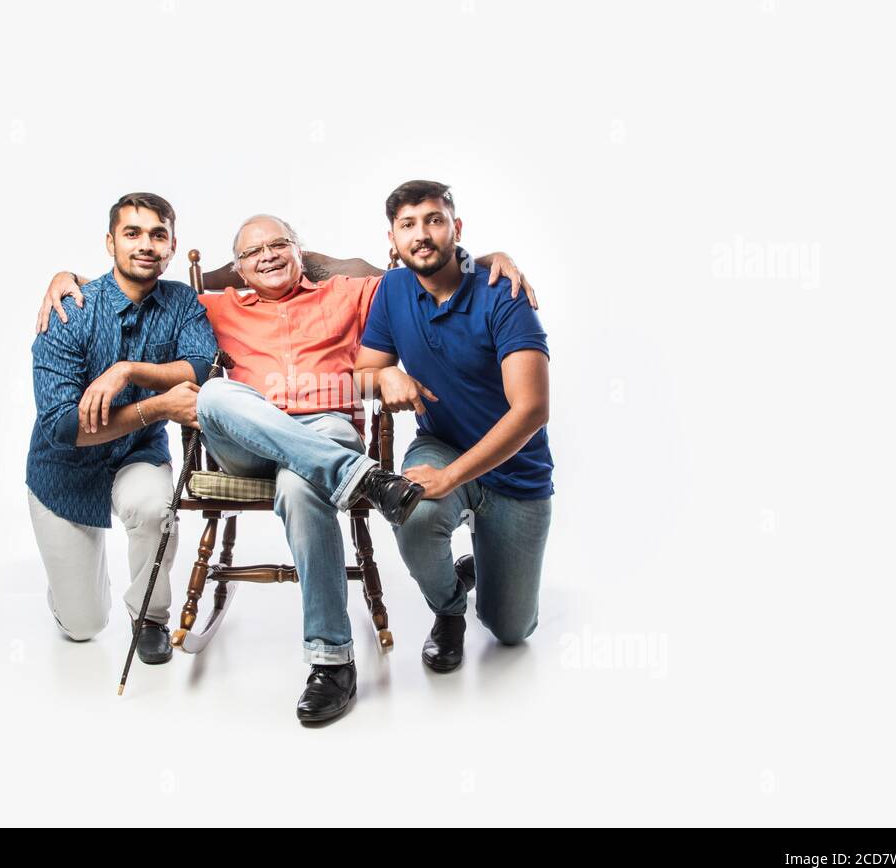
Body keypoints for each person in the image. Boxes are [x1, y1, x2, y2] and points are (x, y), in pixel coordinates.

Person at [36, 211, 534, 723]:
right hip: (248, 441)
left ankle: (332, 661)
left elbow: (428, 270)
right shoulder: (213, 306)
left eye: (280, 244)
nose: (268, 256)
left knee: (300, 486)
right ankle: (363, 478)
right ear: (239, 268)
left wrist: (488, 259)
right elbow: (143, 285)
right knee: (215, 395)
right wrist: (66, 277)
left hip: (327, 431)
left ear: (301, 252)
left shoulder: (350, 293)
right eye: (252, 253)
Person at [354, 181, 553, 673]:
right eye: (408, 225)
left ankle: (478, 568)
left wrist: (452, 479)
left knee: (511, 630)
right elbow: (361, 378)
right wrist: (385, 374)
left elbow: (531, 410)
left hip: (516, 470)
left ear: (455, 228)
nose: (422, 235)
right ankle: (448, 609)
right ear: (393, 240)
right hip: (439, 444)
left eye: (434, 220)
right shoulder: (393, 289)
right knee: (414, 512)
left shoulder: (502, 292)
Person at [27, 192, 214, 665]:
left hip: (137, 455)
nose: (145, 244)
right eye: (132, 233)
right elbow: (64, 428)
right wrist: (159, 406)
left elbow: (198, 365)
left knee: (155, 509)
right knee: (84, 625)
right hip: (62, 472)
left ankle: (149, 615)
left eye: (158, 235)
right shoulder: (69, 309)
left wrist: (128, 369)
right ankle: (72, 591)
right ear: (111, 242)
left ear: (172, 247)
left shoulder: (181, 301)